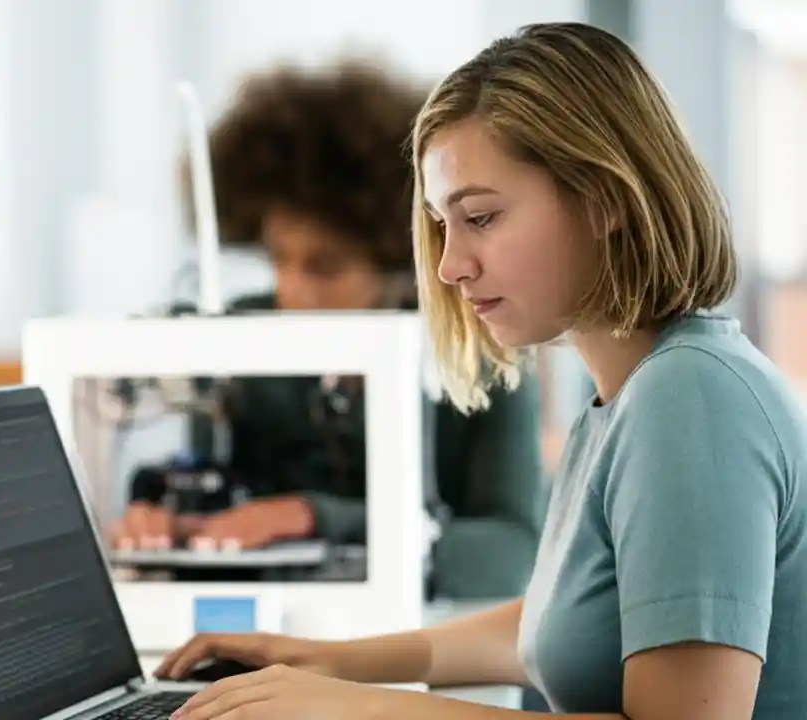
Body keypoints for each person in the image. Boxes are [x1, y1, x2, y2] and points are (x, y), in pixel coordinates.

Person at [157, 23, 807, 719]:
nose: (448, 266)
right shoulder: (628, 394)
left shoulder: (690, 398)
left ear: (606, 199)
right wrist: (337, 662)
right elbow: (568, 621)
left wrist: (354, 707)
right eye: (441, 225)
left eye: (482, 217)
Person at [108, 61, 543, 598]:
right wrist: (173, 519)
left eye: (326, 267)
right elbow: (217, 506)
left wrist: (315, 518)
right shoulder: (238, 340)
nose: (292, 292)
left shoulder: (481, 346)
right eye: (278, 258)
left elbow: (510, 556)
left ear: (399, 258)